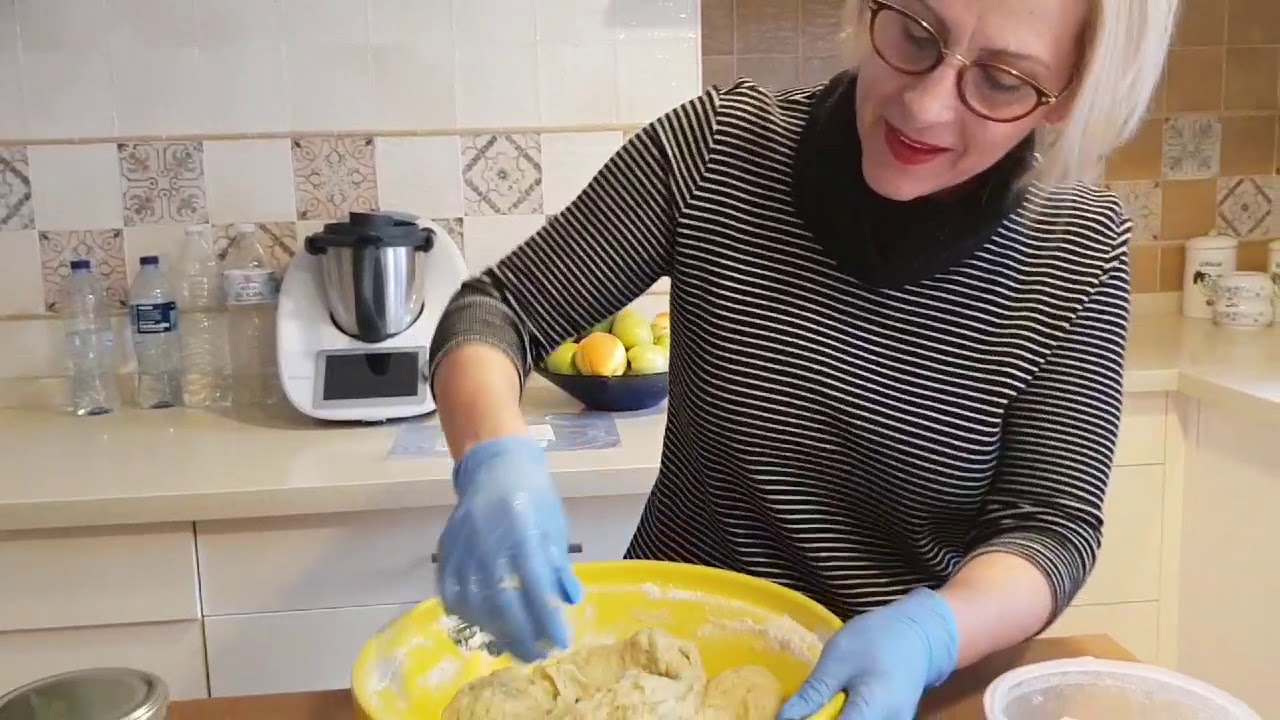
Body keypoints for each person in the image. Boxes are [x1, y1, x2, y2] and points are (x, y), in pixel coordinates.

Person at [428, 0, 1178, 716]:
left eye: (1002, 80)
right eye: (916, 34)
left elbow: (1050, 528)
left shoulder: (1075, 250)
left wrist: (932, 634)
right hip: (677, 674)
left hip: (908, 693)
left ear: (1066, 96)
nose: (924, 106)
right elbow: (496, 312)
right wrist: (496, 461)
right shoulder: (716, 153)